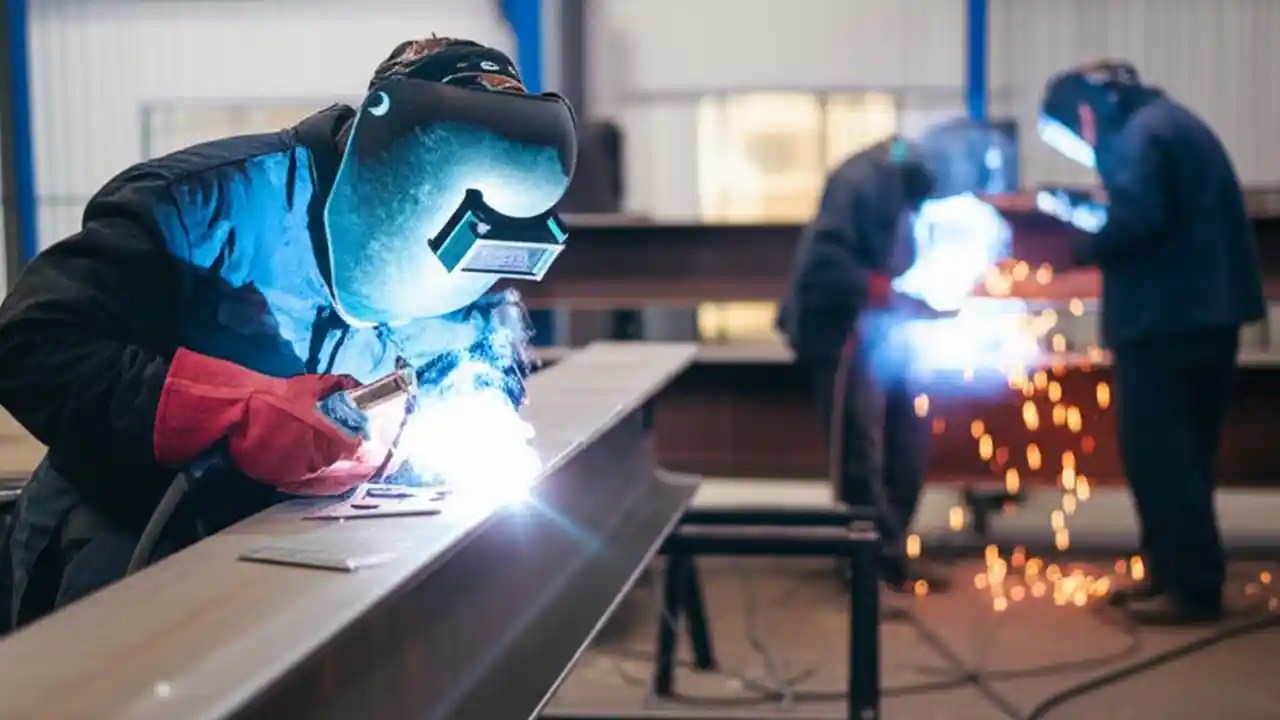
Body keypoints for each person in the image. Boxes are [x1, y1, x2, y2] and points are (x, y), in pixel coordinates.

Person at [0, 37, 577, 631]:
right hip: (128, 528)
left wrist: (429, 433)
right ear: (390, 159)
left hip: (300, 547)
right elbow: (32, 340)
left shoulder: (475, 248)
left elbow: (470, 371)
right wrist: (235, 411)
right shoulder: (205, 203)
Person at [1038, 60, 1265, 624]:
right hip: (1201, 318)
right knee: (1183, 457)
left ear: (1086, 114)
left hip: (1165, 321)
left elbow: (1138, 217)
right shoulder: (1168, 124)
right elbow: (1158, 211)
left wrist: (1081, 247)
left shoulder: (1132, 135)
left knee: (1159, 456)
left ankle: (1189, 589)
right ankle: (1172, 572)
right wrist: (1090, 210)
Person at [777, 136, 945, 593]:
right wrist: (893, 297)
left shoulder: (902, 182)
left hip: (880, 335)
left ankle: (890, 555)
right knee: (861, 455)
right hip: (839, 334)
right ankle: (864, 570)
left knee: (908, 445)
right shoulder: (861, 182)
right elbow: (826, 265)